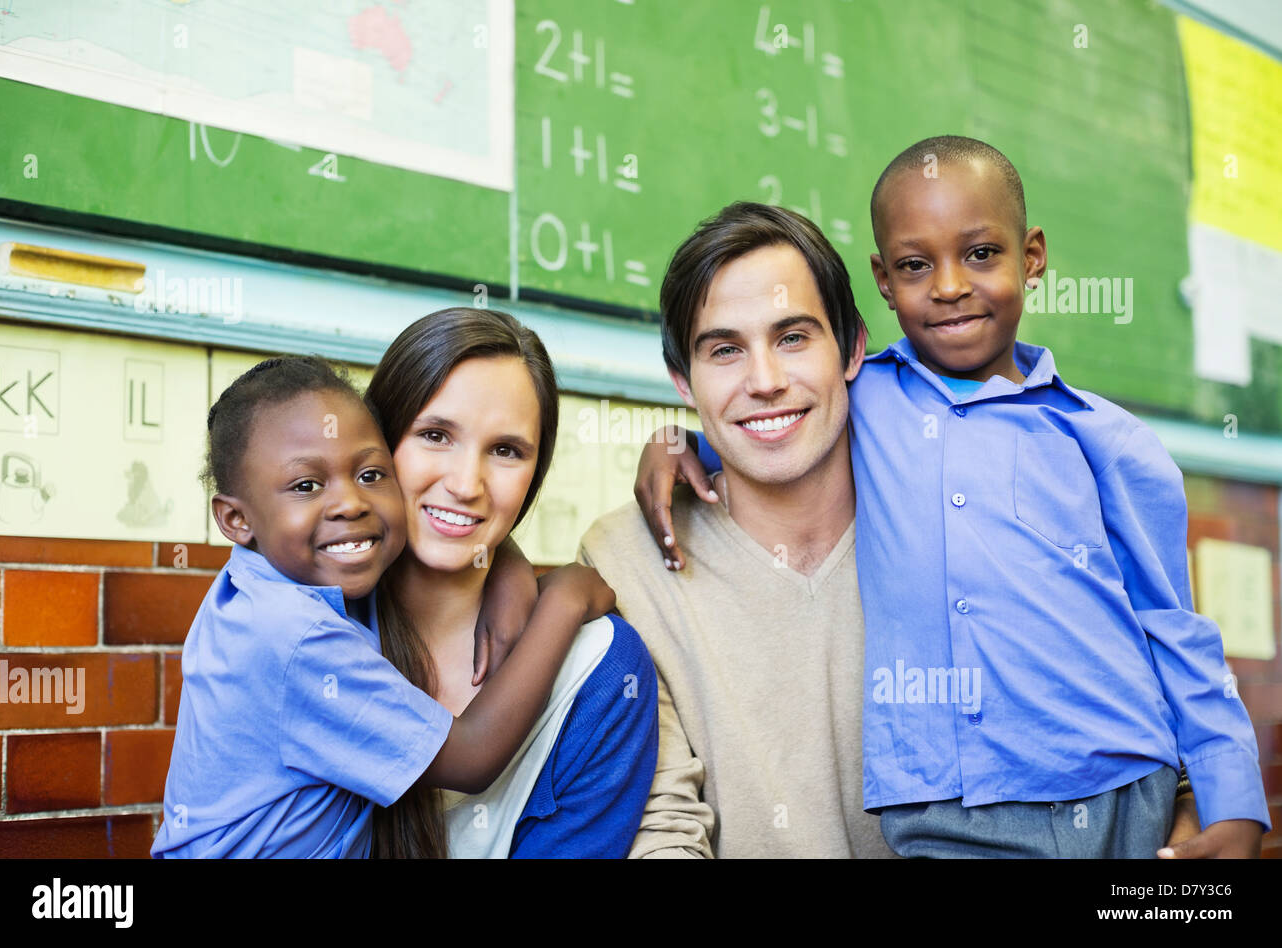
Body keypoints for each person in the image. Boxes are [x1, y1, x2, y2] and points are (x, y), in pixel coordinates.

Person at [635, 137, 1269, 857]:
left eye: (980, 254)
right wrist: (678, 444)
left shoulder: (1108, 441)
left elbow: (1175, 628)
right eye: (914, 265)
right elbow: (766, 420)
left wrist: (1233, 801)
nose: (947, 286)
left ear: (1031, 258)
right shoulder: (860, 396)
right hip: (945, 806)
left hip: (1122, 788)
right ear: (882, 277)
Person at [152, 355, 614, 858]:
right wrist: (565, 600)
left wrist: (505, 563)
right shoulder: (296, 636)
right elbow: (472, 758)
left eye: (371, 474)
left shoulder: (272, 580)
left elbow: (453, 525)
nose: (351, 503)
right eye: (306, 485)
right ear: (236, 520)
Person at [579, 202, 895, 857]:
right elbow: (662, 824)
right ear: (683, 383)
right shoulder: (624, 560)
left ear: (853, 348)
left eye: (793, 338)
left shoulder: (936, 512)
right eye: (725, 351)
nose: (766, 382)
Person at [365, 308, 657, 859]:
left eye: (506, 451)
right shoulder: (307, 622)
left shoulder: (599, 672)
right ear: (376, 443)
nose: (466, 484)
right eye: (434, 435)